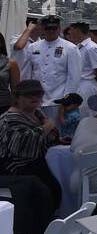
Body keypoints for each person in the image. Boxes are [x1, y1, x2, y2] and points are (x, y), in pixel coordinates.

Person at [0, 79, 63, 217]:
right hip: (19, 172)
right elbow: (21, 149)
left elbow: (50, 136)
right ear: (17, 97)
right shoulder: (10, 119)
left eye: (38, 94)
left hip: (42, 165)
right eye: (29, 95)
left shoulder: (37, 113)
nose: (35, 97)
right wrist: (45, 128)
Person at [19, 14, 80, 110]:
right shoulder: (32, 47)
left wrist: (66, 101)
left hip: (58, 100)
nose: (51, 31)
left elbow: (73, 77)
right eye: (47, 28)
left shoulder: (70, 48)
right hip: (35, 100)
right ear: (42, 29)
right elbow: (26, 74)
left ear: (59, 29)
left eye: (54, 28)